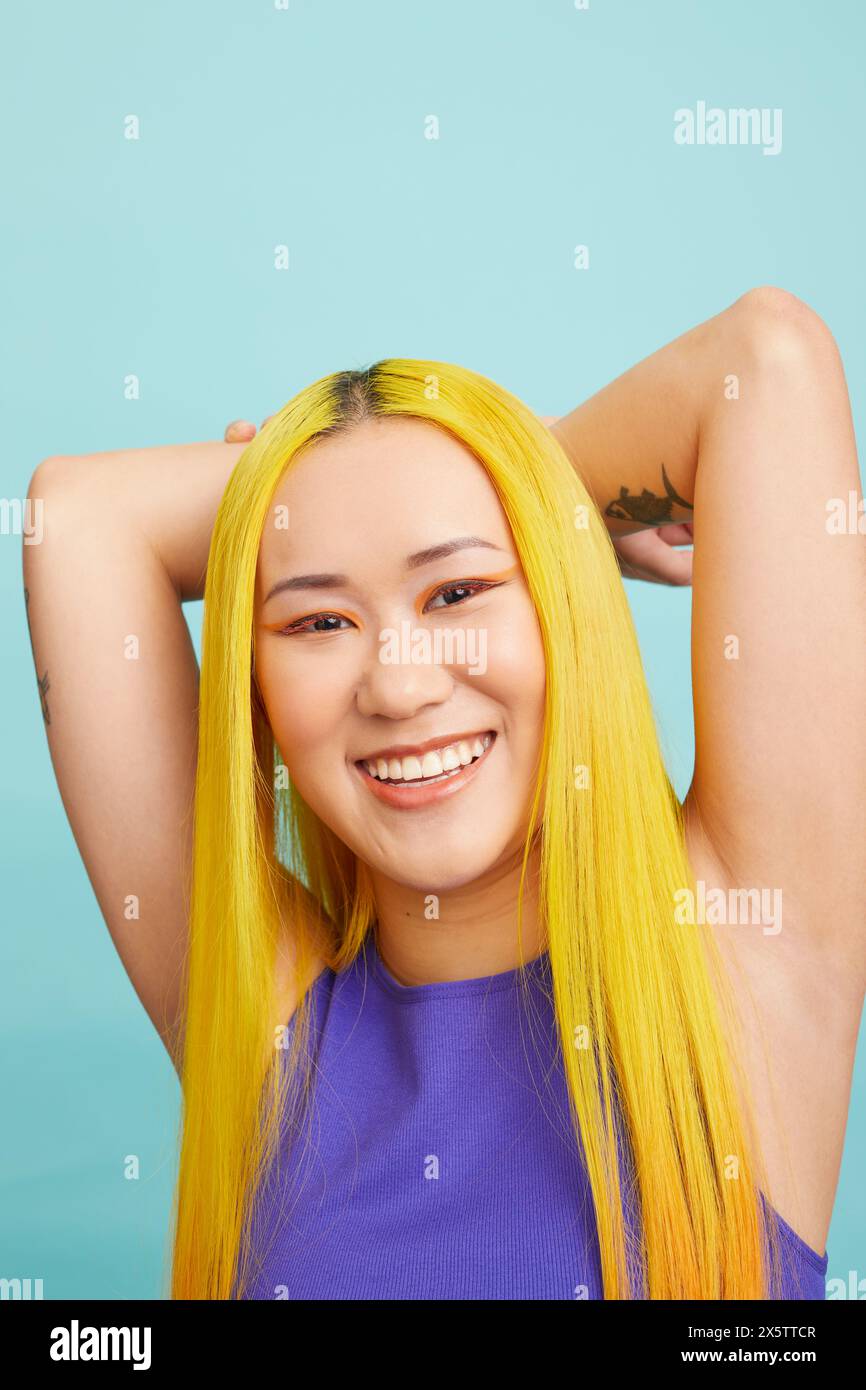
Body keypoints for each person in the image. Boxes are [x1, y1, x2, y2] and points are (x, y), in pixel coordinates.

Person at [23, 287, 865, 1300]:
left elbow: (764, 358)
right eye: (317, 622)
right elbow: (74, 518)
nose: (399, 683)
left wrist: (491, 467)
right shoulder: (267, 1028)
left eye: (457, 592)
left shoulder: (739, 956)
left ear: (560, 601)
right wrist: (347, 479)